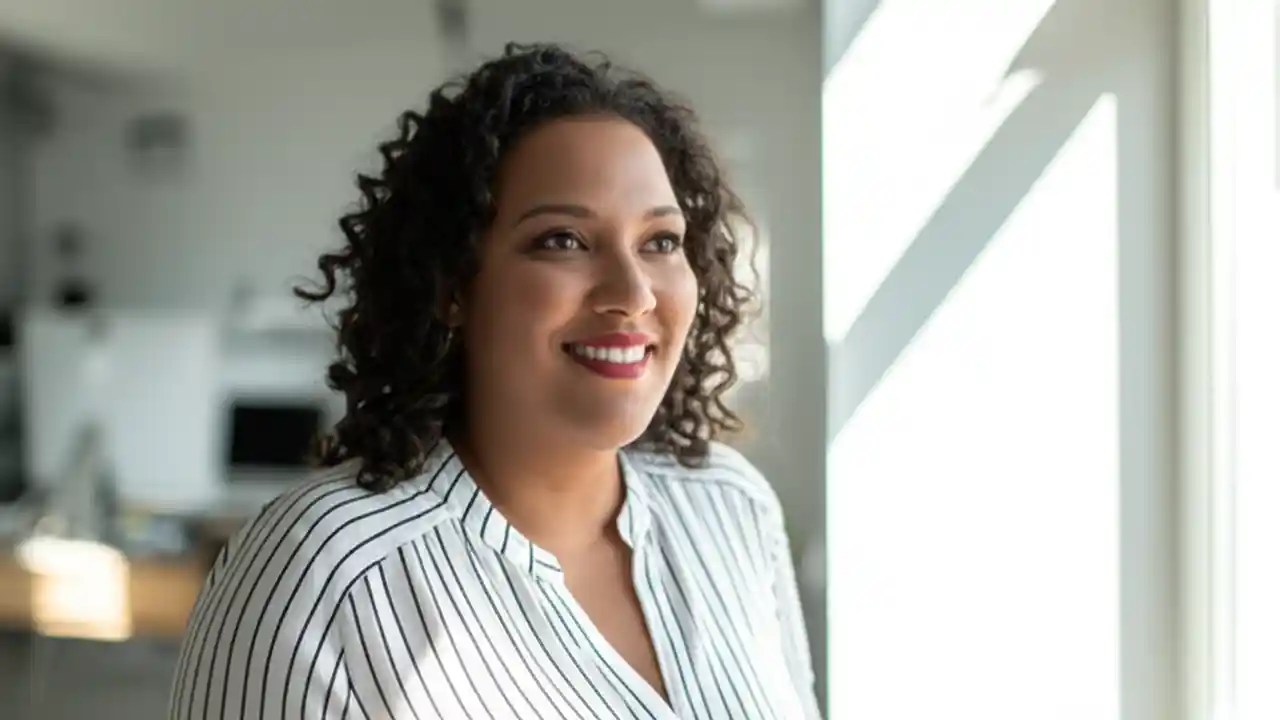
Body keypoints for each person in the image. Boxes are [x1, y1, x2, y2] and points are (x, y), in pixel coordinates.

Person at [169, 42, 821, 720]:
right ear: (453, 285)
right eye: (563, 240)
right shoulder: (325, 573)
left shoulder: (730, 505)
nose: (633, 294)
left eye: (660, 241)